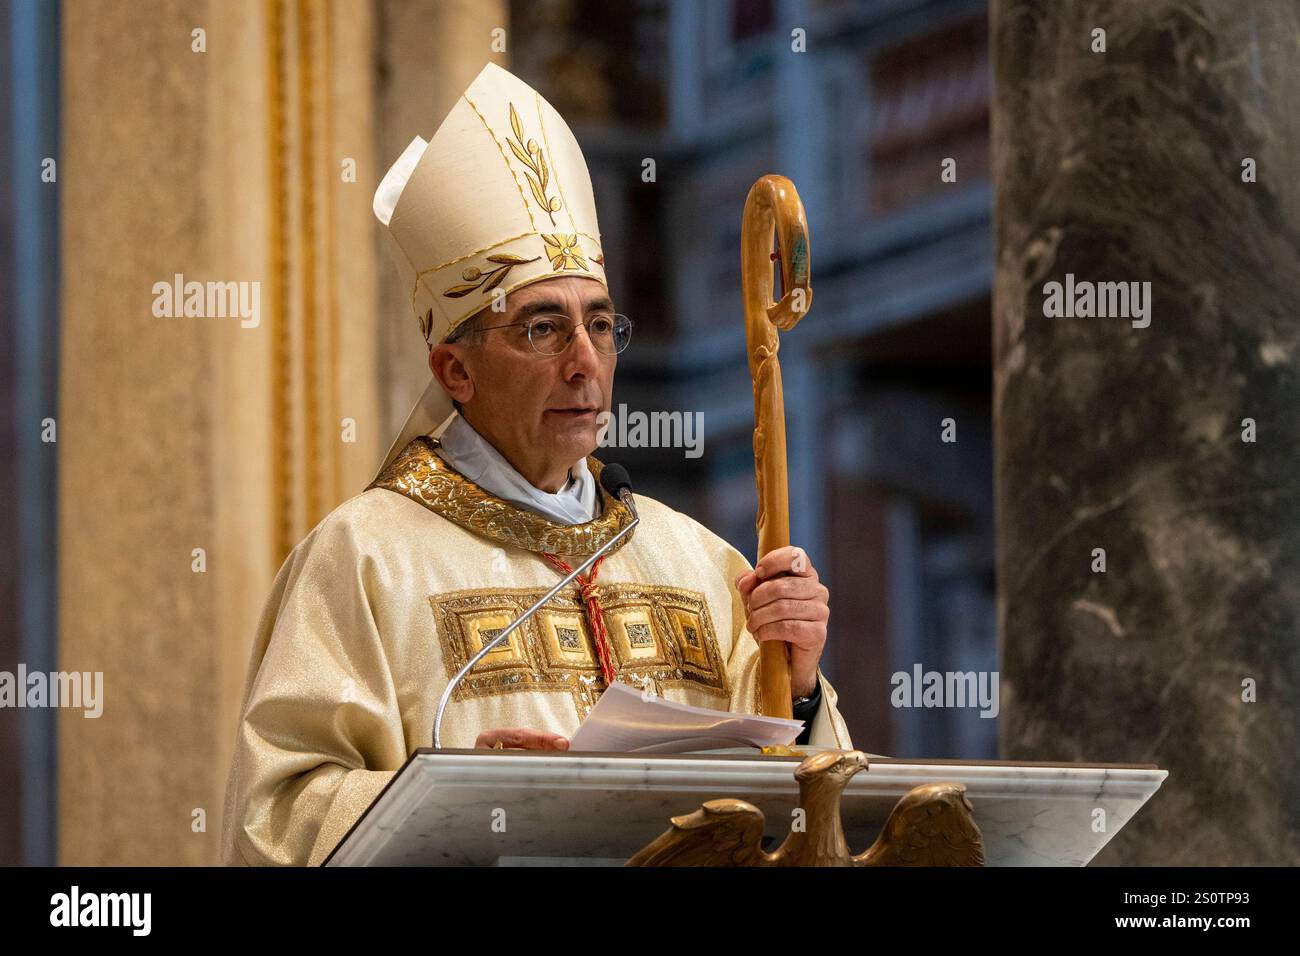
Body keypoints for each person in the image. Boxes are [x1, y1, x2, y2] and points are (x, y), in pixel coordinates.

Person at [221, 62, 852, 867]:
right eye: (543, 330)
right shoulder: (366, 561)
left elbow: (806, 822)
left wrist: (795, 690)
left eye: (599, 326)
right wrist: (468, 797)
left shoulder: (698, 564)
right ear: (455, 371)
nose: (586, 363)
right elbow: (275, 819)